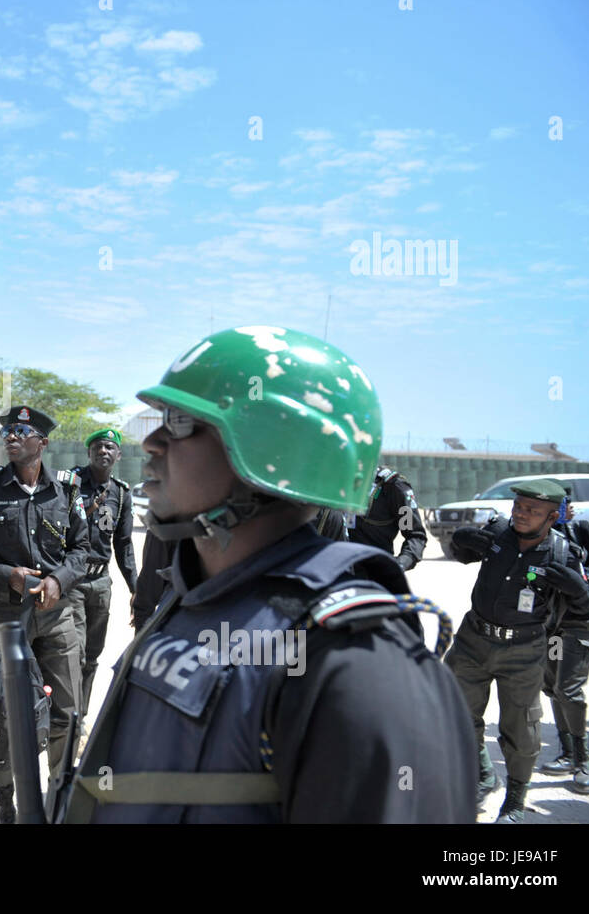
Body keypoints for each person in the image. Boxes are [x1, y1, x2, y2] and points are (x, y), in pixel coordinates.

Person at [62, 327, 476, 824]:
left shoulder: (357, 661)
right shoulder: (191, 596)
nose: (150, 442)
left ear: (266, 451)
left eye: (178, 422)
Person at [0, 405, 89, 823]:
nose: (11, 437)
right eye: (7, 431)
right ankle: (5, 802)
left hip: (57, 618)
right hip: (7, 620)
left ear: (43, 443)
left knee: (66, 715)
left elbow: (83, 551)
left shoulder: (67, 491)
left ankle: (59, 803)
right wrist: (5, 575)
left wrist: (59, 580)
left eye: (21, 431)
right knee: (4, 712)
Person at [447, 479, 589, 822]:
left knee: (521, 728)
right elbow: (461, 555)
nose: (521, 514)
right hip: (473, 639)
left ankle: (514, 801)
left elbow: (587, 605)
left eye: (532, 510)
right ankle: (484, 774)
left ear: (552, 517)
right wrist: (461, 540)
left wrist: (578, 589)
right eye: (519, 506)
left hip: (523, 649)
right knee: (457, 711)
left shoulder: (562, 552)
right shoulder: (497, 534)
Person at [61, 428, 136, 723]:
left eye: (109, 447)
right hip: (72, 580)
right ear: (89, 453)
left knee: (91, 657)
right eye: (98, 447)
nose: (103, 451)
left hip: (101, 583)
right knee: (74, 654)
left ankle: (79, 718)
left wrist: (135, 587)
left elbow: (125, 544)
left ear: (118, 455)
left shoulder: (121, 492)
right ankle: (65, 722)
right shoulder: (70, 483)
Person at [536, 501, 589, 793]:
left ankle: (582, 761)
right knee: (552, 684)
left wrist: (581, 577)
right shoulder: (531, 536)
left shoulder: (580, 533)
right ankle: (567, 752)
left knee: (569, 689)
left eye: (562, 506)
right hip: (550, 627)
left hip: (579, 623)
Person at [348, 466, 427, 570]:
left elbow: (415, 536)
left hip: (374, 572)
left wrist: (401, 563)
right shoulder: (332, 480)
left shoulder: (393, 487)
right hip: (335, 571)